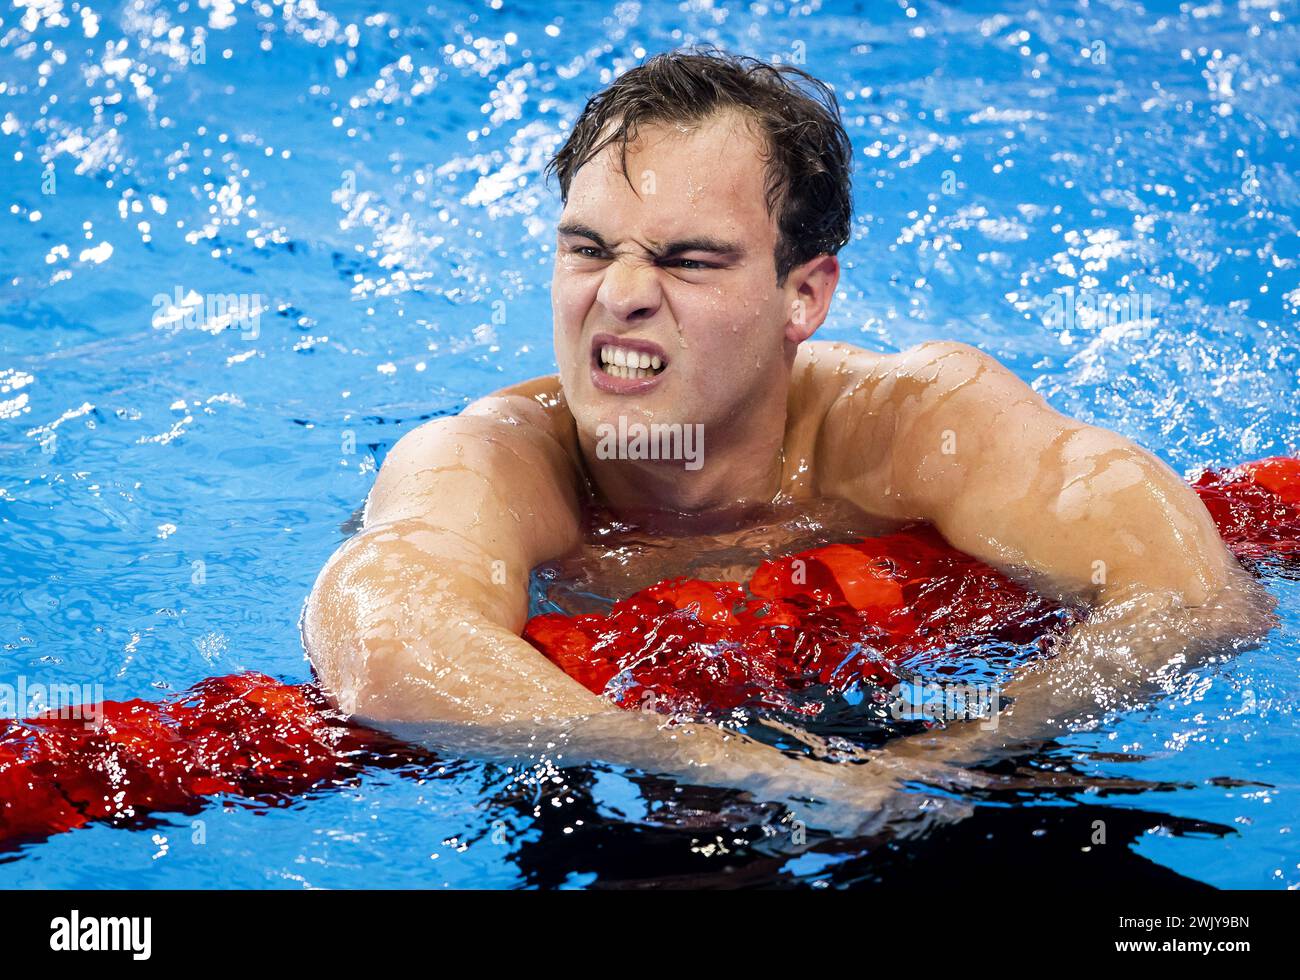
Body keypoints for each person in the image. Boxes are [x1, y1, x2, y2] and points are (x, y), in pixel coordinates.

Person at [302, 49, 1271, 835]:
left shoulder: (911, 423)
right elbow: (382, 648)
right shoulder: (489, 460)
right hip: (621, 764)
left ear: (803, 294)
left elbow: (1193, 591)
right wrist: (723, 761)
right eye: (588, 247)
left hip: (912, 720)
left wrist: (951, 754)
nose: (621, 292)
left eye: (688, 259)